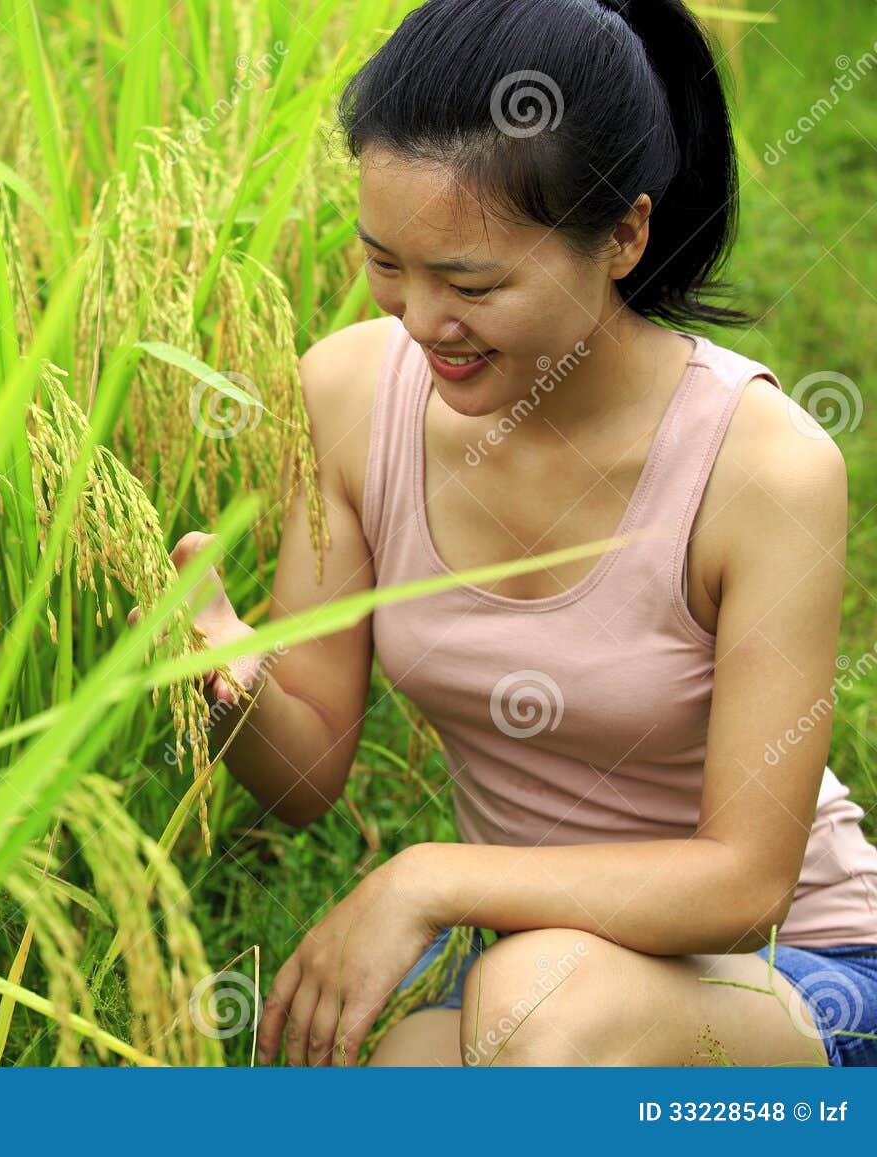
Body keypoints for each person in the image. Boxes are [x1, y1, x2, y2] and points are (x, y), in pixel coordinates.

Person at [162, 0, 877, 1067]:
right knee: (415, 1062)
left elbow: (744, 881)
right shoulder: (351, 395)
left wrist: (429, 877)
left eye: (471, 283)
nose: (416, 319)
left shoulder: (761, 467)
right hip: (542, 975)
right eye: (386, 264)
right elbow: (304, 776)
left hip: (796, 977)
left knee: (534, 1008)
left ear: (624, 234)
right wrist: (223, 677)